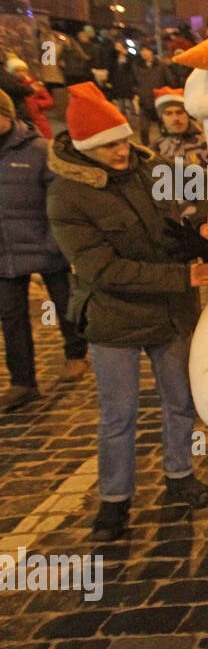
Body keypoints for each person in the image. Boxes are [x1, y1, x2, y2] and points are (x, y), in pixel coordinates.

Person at [45, 83, 208, 542]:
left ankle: (180, 475)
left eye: (121, 140)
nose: (121, 152)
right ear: (85, 150)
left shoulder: (154, 168)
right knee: (119, 413)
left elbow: (201, 195)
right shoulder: (66, 195)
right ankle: (114, 501)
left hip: (171, 314)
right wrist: (183, 279)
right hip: (112, 315)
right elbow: (102, 269)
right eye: (107, 147)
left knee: (180, 400)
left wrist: (199, 223)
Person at [0, 91, 89, 412]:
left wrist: (57, 240)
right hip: (4, 252)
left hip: (44, 243)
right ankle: (22, 381)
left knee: (64, 301)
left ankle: (76, 353)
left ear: (8, 116)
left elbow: (60, 198)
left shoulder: (38, 150)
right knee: (11, 318)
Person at [149, 87, 208, 225]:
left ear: (187, 113)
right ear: (161, 117)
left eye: (179, 112)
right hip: (178, 217)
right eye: (168, 113)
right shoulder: (155, 149)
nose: (175, 118)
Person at [5, 59, 54, 139]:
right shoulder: (14, 88)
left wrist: (37, 104)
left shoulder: (35, 85)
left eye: (24, 70)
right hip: (22, 121)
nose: (21, 73)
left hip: (39, 120)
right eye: (17, 71)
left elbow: (49, 101)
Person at [130, 45, 168, 144]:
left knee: (165, 129)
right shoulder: (137, 67)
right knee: (144, 130)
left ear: (151, 51)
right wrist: (139, 92)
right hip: (144, 101)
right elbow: (133, 82)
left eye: (146, 50)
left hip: (159, 101)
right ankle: (147, 154)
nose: (144, 53)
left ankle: (166, 149)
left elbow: (170, 81)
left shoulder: (160, 66)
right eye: (142, 51)